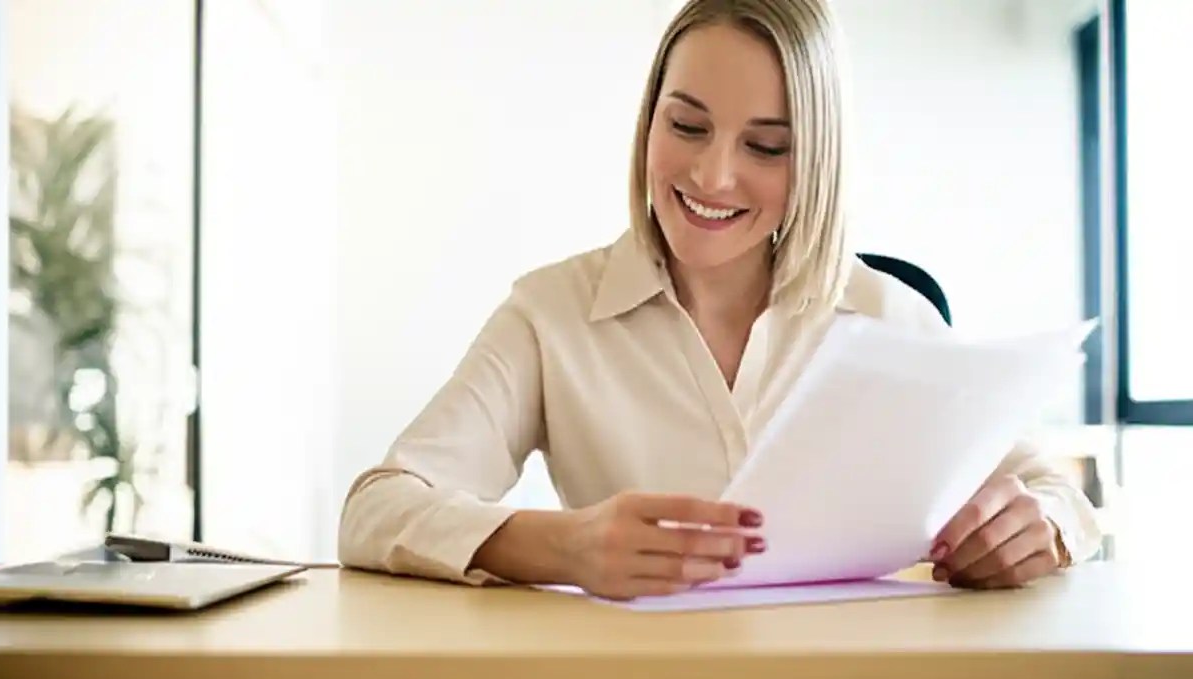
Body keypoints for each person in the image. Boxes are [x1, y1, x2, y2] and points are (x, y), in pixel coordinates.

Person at [337, 0, 1102, 600]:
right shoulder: (552, 315)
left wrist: (1042, 529)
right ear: (648, 121)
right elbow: (376, 510)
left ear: (815, 161)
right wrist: (565, 545)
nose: (712, 176)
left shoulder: (887, 315)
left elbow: (1055, 489)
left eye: (766, 145)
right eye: (687, 126)